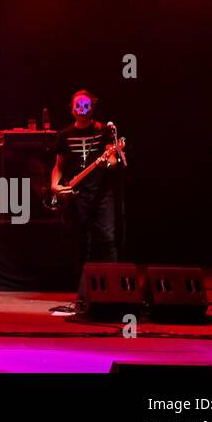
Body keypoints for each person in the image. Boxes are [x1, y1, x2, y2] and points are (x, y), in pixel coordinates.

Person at [49, 89, 121, 315]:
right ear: (72, 109)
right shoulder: (64, 135)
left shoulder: (103, 131)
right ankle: (84, 293)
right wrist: (54, 185)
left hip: (102, 194)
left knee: (107, 240)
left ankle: (114, 292)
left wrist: (109, 163)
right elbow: (58, 166)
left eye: (86, 106)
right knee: (82, 242)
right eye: (78, 106)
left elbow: (112, 159)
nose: (82, 110)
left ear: (93, 107)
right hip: (77, 194)